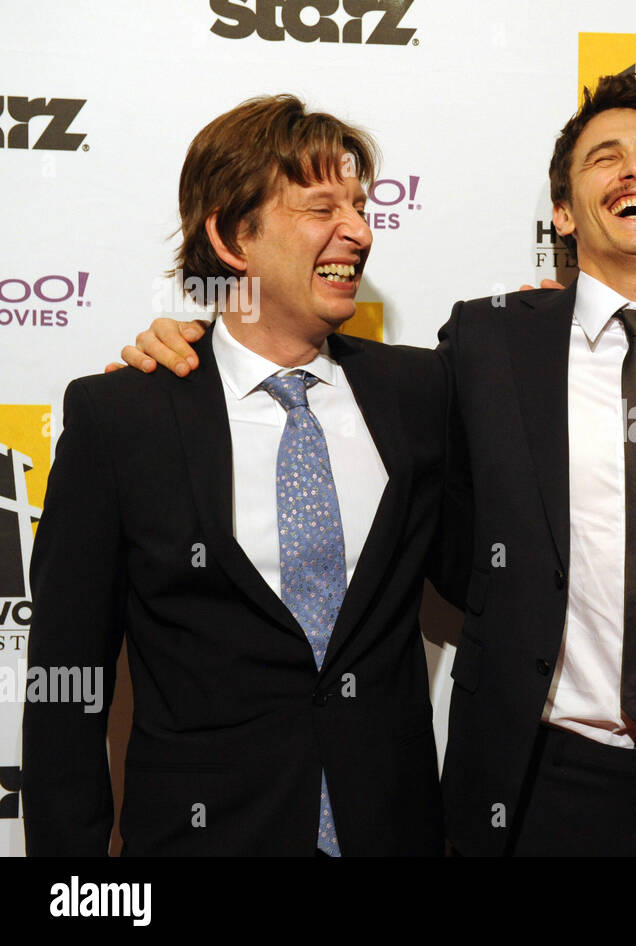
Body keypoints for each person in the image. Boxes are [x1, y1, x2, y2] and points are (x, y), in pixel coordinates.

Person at [117, 73, 636, 857]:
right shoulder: (487, 350)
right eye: (605, 157)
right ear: (560, 212)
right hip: (535, 784)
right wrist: (192, 348)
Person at [23, 95, 449, 855]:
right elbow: (66, 687)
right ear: (230, 235)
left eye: (359, 205)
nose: (358, 230)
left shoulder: (419, 395)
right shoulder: (124, 419)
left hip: (393, 831)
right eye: (322, 207)